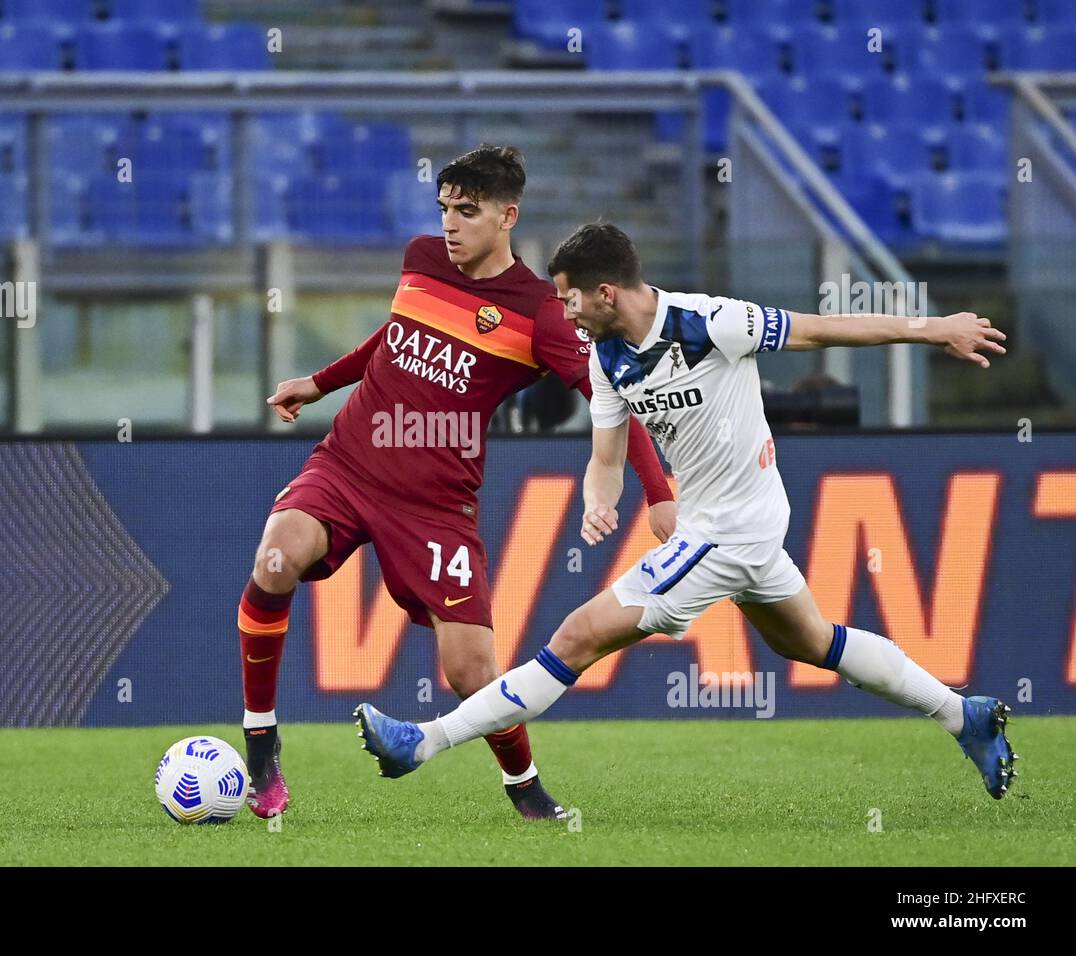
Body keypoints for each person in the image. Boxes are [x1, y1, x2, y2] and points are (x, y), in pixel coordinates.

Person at [356, 221, 1019, 802]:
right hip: (729, 522)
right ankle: (965, 715)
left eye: (569, 297)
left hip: (732, 528)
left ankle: (422, 742)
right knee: (809, 640)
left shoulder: (709, 323)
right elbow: (607, 455)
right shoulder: (608, 359)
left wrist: (935, 328)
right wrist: (598, 502)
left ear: (606, 292)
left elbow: (821, 330)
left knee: (575, 639)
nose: (564, 311)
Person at [239, 152, 676, 820]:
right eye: (444, 208)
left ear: (508, 216)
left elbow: (610, 396)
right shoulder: (419, 258)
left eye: (466, 212)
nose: (449, 224)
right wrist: (319, 383)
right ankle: (261, 742)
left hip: (436, 505)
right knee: (276, 556)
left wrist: (658, 492)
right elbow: (396, 338)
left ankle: (525, 787)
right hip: (350, 464)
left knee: (470, 671)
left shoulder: (539, 314)